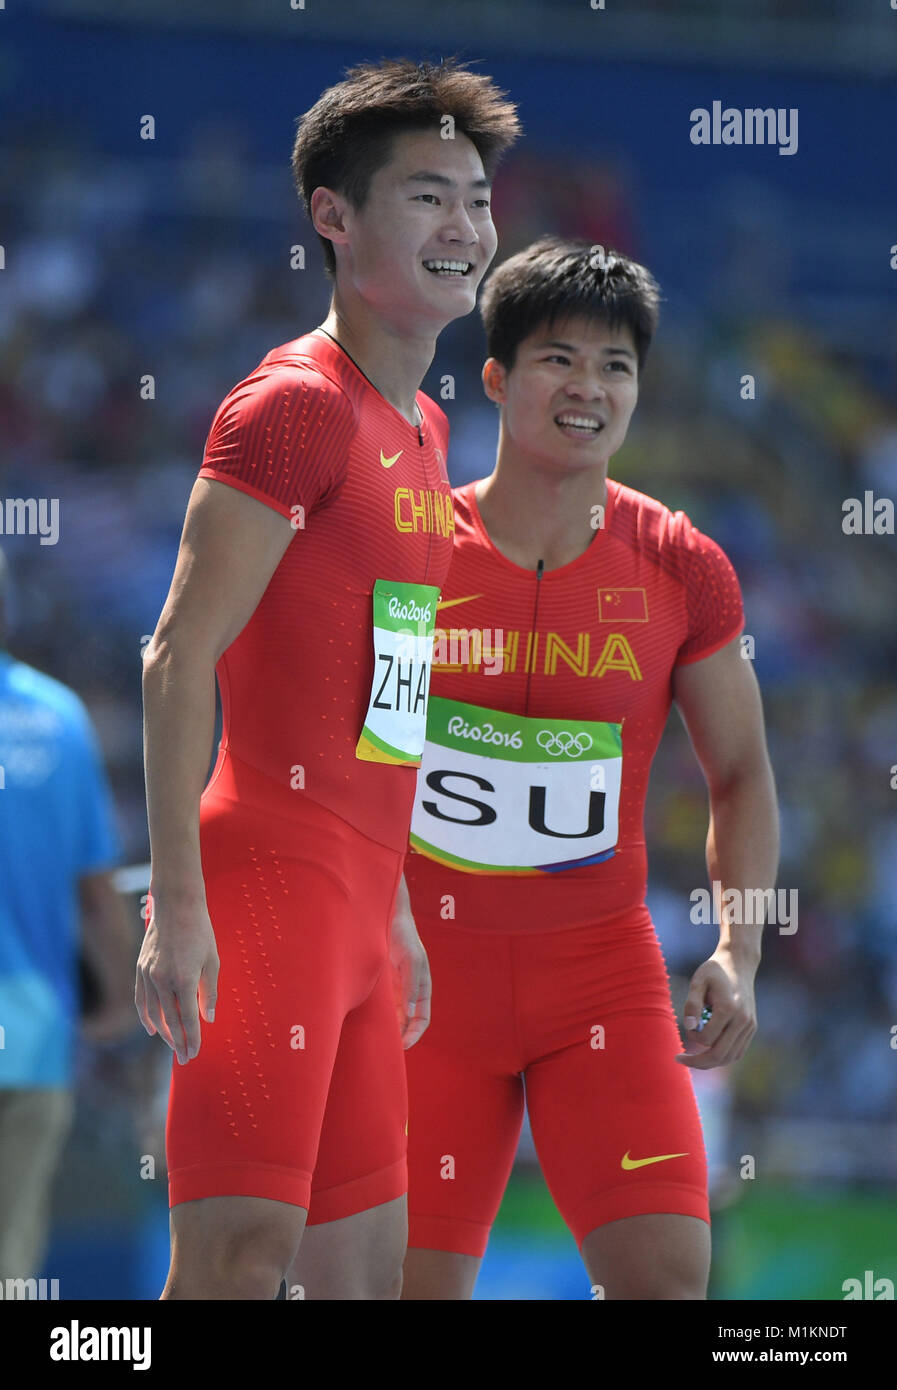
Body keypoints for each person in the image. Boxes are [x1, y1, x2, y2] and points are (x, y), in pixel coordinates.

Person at [135, 57, 520, 1300]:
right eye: (426, 196)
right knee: (237, 1264)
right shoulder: (294, 407)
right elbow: (176, 656)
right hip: (263, 886)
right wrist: (181, 909)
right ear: (333, 216)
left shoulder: (425, 430)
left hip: (361, 906)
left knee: (367, 1284)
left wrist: (399, 904)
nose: (464, 226)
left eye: (475, 197)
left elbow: (387, 683)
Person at [400, 237, 779, 1300]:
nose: (589, 387)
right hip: (426, 984)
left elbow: (741, 769)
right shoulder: (413, 549)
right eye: (558, 359)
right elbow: (348, 758)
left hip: (598, 988)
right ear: (496, 377)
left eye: (616, 366)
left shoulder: (683, 565)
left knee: (668, 1282)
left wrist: (739, 947)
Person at [0, 544, 135, 1288]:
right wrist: (115, 1000)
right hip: (34, 1037)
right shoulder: (58, 718)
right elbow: (95, 892)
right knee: (10, 1257)